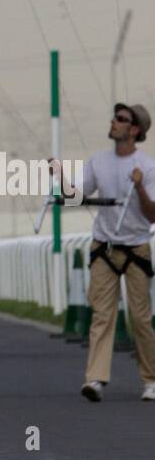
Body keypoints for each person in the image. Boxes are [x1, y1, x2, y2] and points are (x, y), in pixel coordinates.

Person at [55, 103, 155, 403]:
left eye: (121, 119)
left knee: (140, 318)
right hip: (104, 246)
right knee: (102, 315)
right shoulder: (99, 161)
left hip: (136, 245)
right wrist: (60, 176)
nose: (113, 122)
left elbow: (152, 216)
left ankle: (150, 379)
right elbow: (76, 197)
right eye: (114, 117)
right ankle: (95, 378)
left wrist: (139, 189)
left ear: (134, 130)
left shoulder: (147, 167)